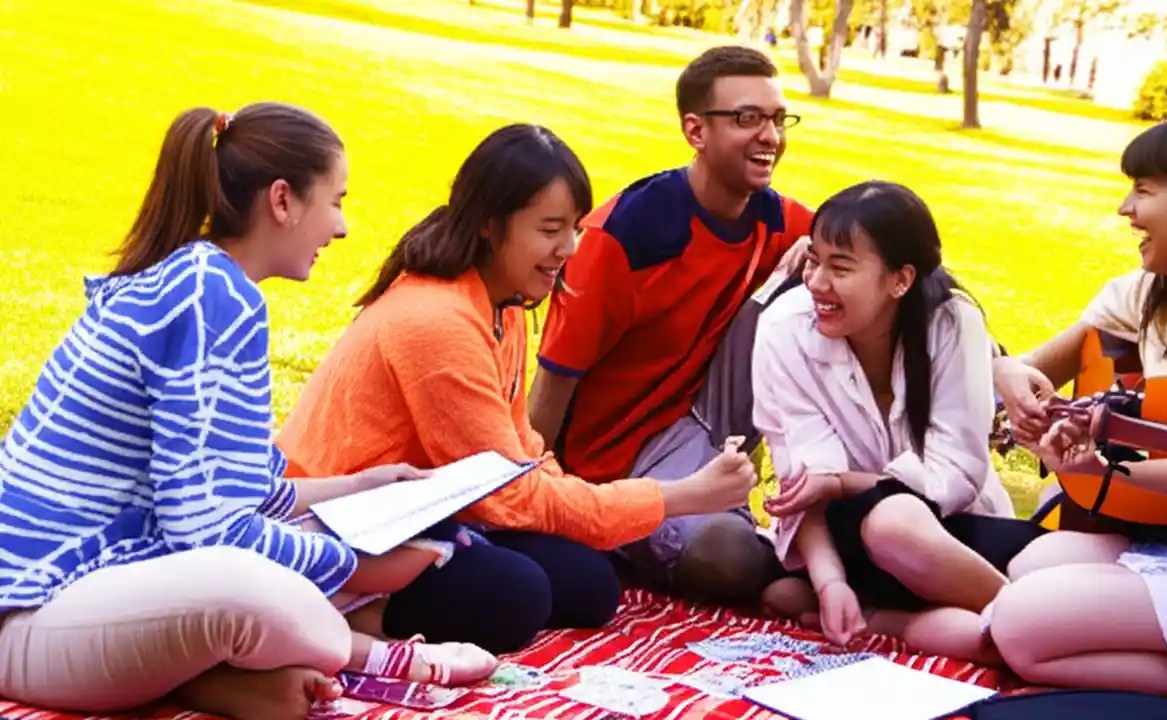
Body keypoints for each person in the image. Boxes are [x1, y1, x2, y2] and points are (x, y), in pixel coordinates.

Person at [0, 103, 495, 720]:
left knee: (301, 550)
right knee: (258, 589)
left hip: (79, 590)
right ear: (282, 201)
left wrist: (356, 488)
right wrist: (357, 566)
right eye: (336, 201)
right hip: (30, 608)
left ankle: (215, 682)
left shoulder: (199, 276)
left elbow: (234, 488)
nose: (341, 228)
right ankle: (386, 659)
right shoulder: (213, 295)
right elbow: (205, 535)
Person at [274, 123, 756, 655]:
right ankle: (360, 613)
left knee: (591, 585)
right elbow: (510, 496)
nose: (568, 249)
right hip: (344, 527)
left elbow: (521, 455)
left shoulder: (501, 301)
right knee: (516, 597)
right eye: (551, 230)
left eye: (574, 228)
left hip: (430, 509)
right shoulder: (436, 319)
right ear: (489, 225)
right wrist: (681, 496)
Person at [987, 112, 1167, 708]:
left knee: (1018, 624)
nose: (1125, 209)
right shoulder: (1148, 293)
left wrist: (1101, 470)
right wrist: (1009, 374)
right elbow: (1037, 367)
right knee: (1031, 564)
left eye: (1144, 191)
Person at [528, 45, 813, 606]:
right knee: (726, 559)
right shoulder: (624, 237)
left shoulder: (777, 218)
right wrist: (543, 506)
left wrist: (995, 363)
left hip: (702, 421)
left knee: (832, 270)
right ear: (695, 130)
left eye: (778, 120)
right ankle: (656, 542)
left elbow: (893, 256)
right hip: (608, 462)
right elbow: (550, 393)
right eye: (747, 118)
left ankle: (829, 524)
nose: (770, 137)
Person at [751, 181, 1041, 661]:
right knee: (795, 588)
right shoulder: (785, 328)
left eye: (840, 267)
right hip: (848, 541)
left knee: (894, 524)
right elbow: (800, 481)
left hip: (948, 536)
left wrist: (843, 482)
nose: (817, 282)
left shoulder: (952, 322)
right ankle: (904, 616)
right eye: (813, 260)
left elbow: (955, 474)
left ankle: (1015, 618)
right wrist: (830, 583)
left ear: (900, 280)